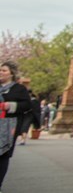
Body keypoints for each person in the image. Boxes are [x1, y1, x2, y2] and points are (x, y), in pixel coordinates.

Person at [1, 61, 30, 191]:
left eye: (4, 70)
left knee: (3, 155)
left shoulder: (19, 89)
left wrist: (10, 106)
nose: (1, 73)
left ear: (11, 74)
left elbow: (27, 105)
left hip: (8, 126)